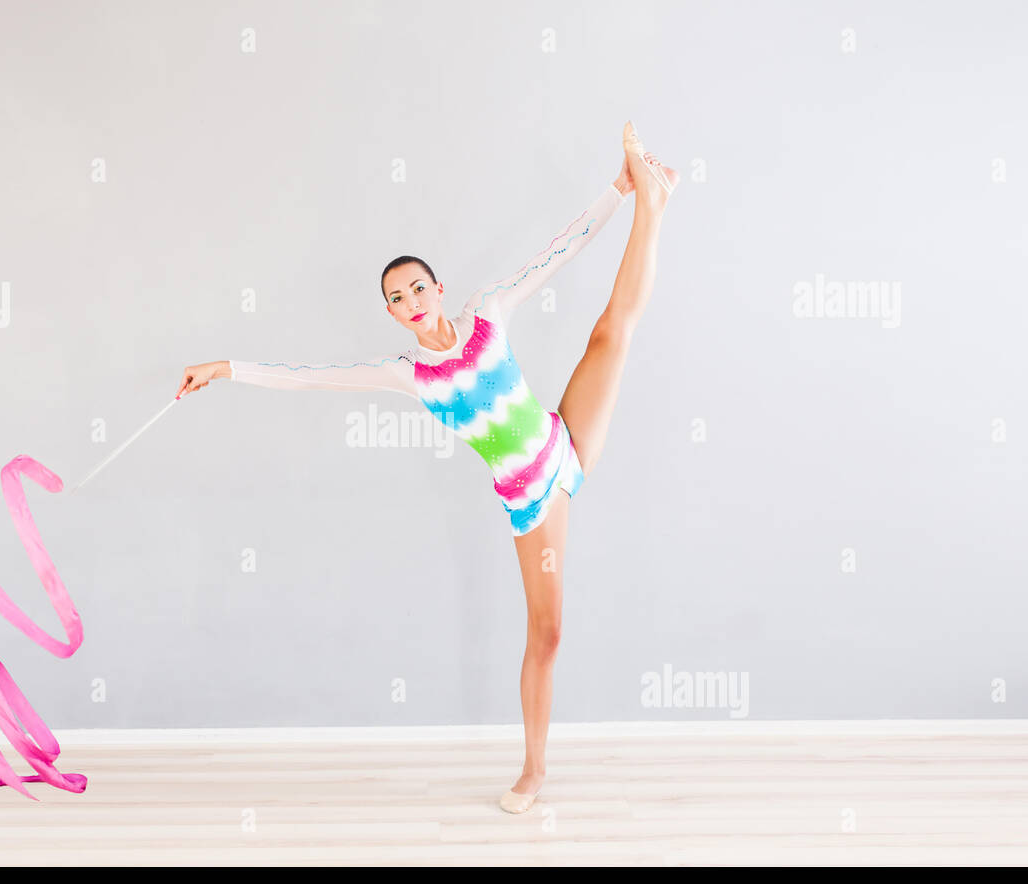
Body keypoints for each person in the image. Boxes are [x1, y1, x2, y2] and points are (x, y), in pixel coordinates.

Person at [178, 121, 677, 813]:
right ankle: (534, 771)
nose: (412, 302)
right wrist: (227, 368)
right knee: (549, 633)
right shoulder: (409, 375)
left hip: (565, 440)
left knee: (611, 330)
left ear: (439, 288)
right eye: (397, 299)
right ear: (392, 314)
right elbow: (308, 379)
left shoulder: (489, 312)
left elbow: (559, 251)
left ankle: (655, 200)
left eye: (418, 288)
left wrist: (618, 190)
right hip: (533, 499)